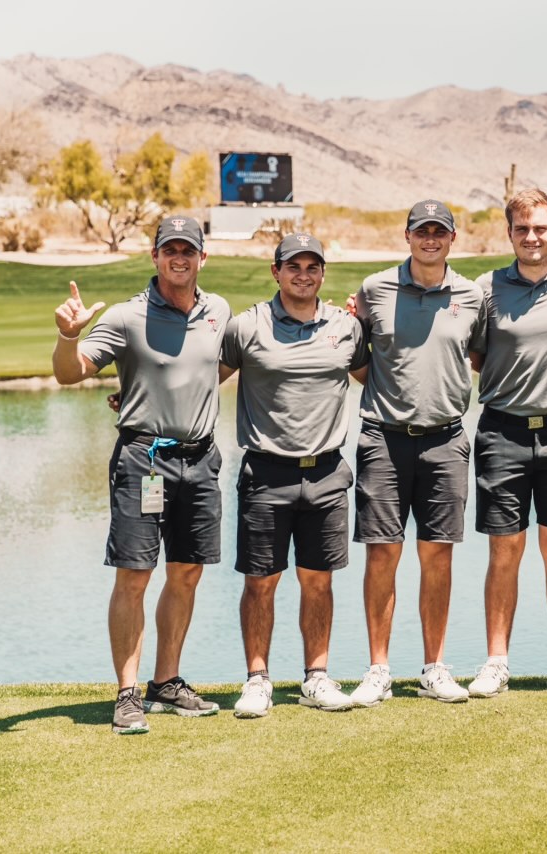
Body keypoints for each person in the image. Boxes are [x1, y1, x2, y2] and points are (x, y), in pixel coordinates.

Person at [52, 215, 229, 734]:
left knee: (187, 571)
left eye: (188, 250)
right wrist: (68, 335)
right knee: (134, 575)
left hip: (200, 461)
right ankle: (127, 693)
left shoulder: (217, 311)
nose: (180, 257)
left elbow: (220, 365)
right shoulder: (128, 316)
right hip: (144, 461)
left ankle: (166, 682)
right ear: (154, 256)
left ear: (202, 257)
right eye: (169, 249)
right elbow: (69, 373)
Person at [222, 234, 369, 718]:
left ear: (323, 272)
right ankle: (258, 680)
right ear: (276, 271)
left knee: (318, 581)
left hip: (327, 473)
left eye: (312, 266)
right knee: (261, 582)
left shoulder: (346, 327)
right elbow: (199, 377)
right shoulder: (246, 326)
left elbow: (376, 376)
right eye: (293, 266)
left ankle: (317, 677)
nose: (302, 274)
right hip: (266, 472)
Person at [349, 200, 486, 705]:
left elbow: (479, 356)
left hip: (447, 439)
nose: (431, 239)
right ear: (406, 235)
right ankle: (379, 669)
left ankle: (434, 667)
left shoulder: (472, 295)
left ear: (453, 238)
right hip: (383, 438)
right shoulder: (373, 290)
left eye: (440, 232)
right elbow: (359, 363)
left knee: (437, 555)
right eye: (422, 231)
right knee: (382, 553)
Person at [465, 189, 547, 699]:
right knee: (505, 551)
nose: (532, 237)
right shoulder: (486, 288)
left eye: (541, 227)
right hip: (503, 431)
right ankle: (497, 662)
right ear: (510, 234)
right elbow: (478, 354)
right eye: (522, 229)